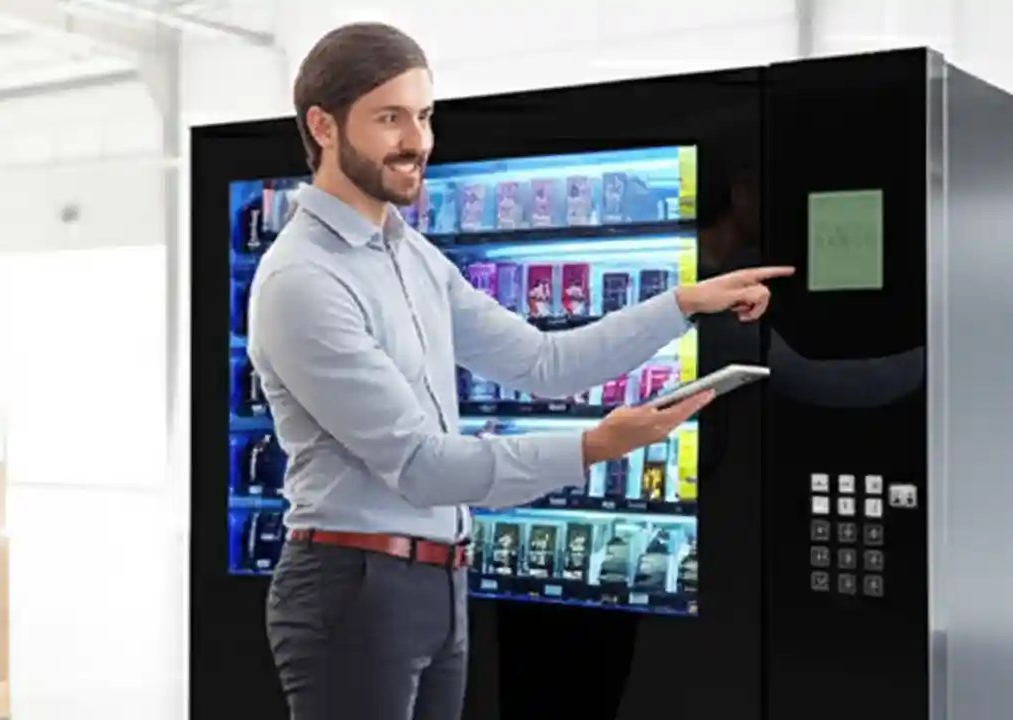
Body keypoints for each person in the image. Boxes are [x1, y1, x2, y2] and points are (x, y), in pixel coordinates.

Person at [248, 21, 794, 720]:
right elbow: (418, 464)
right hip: (354, 583)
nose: (417, 140)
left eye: (423, 115)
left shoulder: (410, 255)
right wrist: (595, 446)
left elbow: (544, 363)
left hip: (438, 580)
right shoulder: (302, 279)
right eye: (389, 118)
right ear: (323, 126)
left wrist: (683, 304)